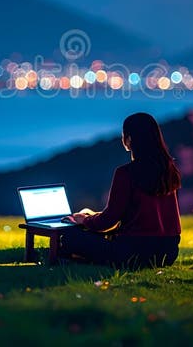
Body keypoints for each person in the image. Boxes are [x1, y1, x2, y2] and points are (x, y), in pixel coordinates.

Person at [59, 112, 182, 268]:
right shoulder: (170, 171)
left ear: (129, 139)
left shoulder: (126, 173)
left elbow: (109, 219)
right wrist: (93, 217)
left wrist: (83, 220)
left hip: (133, 252)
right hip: (168, 252)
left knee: (71, 235)